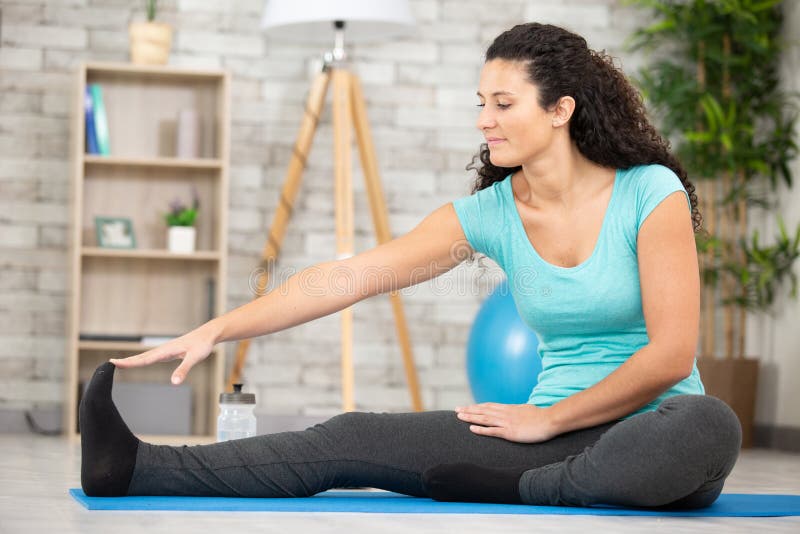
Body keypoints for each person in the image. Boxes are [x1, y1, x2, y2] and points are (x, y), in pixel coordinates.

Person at [79, 22, 742, 508]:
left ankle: (528, 490)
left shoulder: (647, 190)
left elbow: (671, 355)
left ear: (562, 109)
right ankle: (139, 467)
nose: (485, 120)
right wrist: (219, 329)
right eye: (481, 103)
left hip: (653, 439)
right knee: (349, 434)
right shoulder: (492, 214)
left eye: (503, 104)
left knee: (711, 425)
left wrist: (548, 419)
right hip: (544, 435)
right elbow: (351, 275)